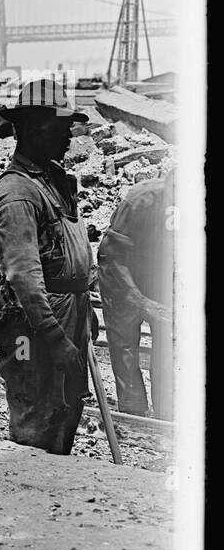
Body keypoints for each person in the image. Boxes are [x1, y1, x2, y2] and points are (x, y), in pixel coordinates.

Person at [0, 79, 93, 454]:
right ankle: (27, 496)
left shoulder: (51, 182)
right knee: (36, 410)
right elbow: (24, 279)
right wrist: (57, 338)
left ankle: (51, 494)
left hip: (67, 314)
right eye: (61, 129)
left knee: (64, 407)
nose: (69, 138)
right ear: (33, 128)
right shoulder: (18, 194)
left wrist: (82, 314)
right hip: (32, 327)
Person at [97, 175, 175, 419]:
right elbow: (109, 255)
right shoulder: (141, 198)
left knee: (169, 343)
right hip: (120, 277)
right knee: (124, 346)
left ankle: (167, 412)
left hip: (157, 277)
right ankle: (133, 412)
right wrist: (141, 302)